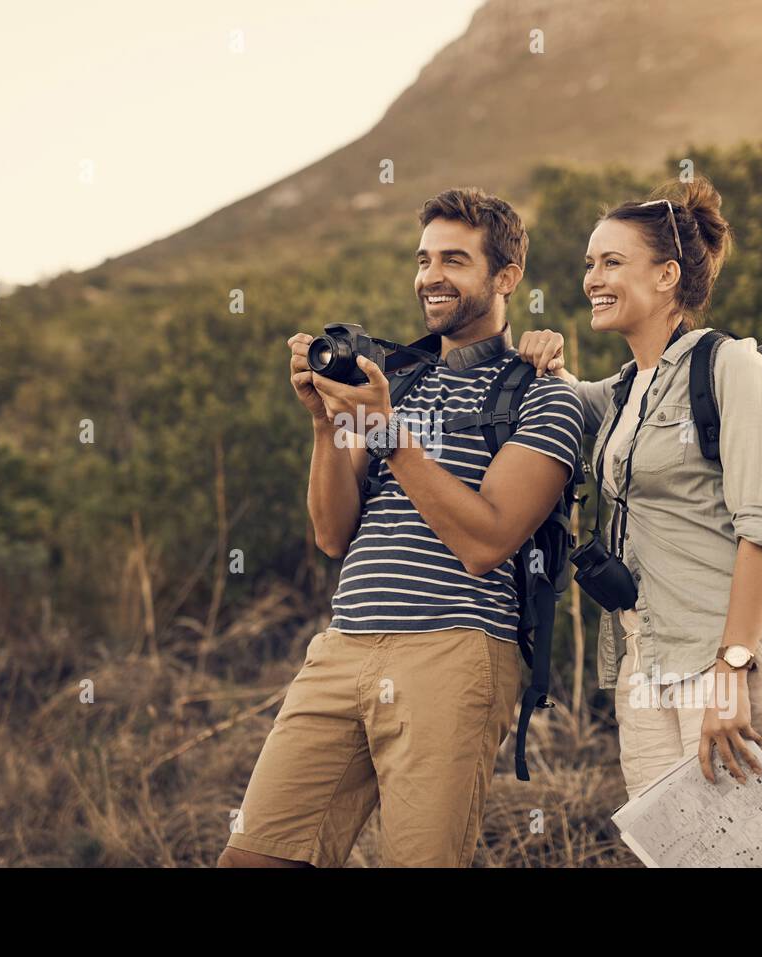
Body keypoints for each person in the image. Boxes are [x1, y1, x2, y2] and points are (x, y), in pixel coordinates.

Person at [218, 187, 584, 868]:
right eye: (422, 259)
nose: (430, 276)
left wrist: (389, 434)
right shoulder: (399, 381)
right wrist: (327, 424)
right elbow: (333, 534)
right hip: (343, 644)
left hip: (453, 651)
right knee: (255, 856)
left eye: (454, 259)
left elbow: (487, 540)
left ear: (505, 278)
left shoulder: (542, 394)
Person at [518, 176, 762, 867]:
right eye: (587, 263)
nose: (592, 279)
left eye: (612, 262)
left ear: (667, 276)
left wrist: (731, 672)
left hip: (745, 661)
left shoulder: (733, 365)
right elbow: (558, 397)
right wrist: (540, 356)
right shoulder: (624, 390)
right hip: (650, 675)